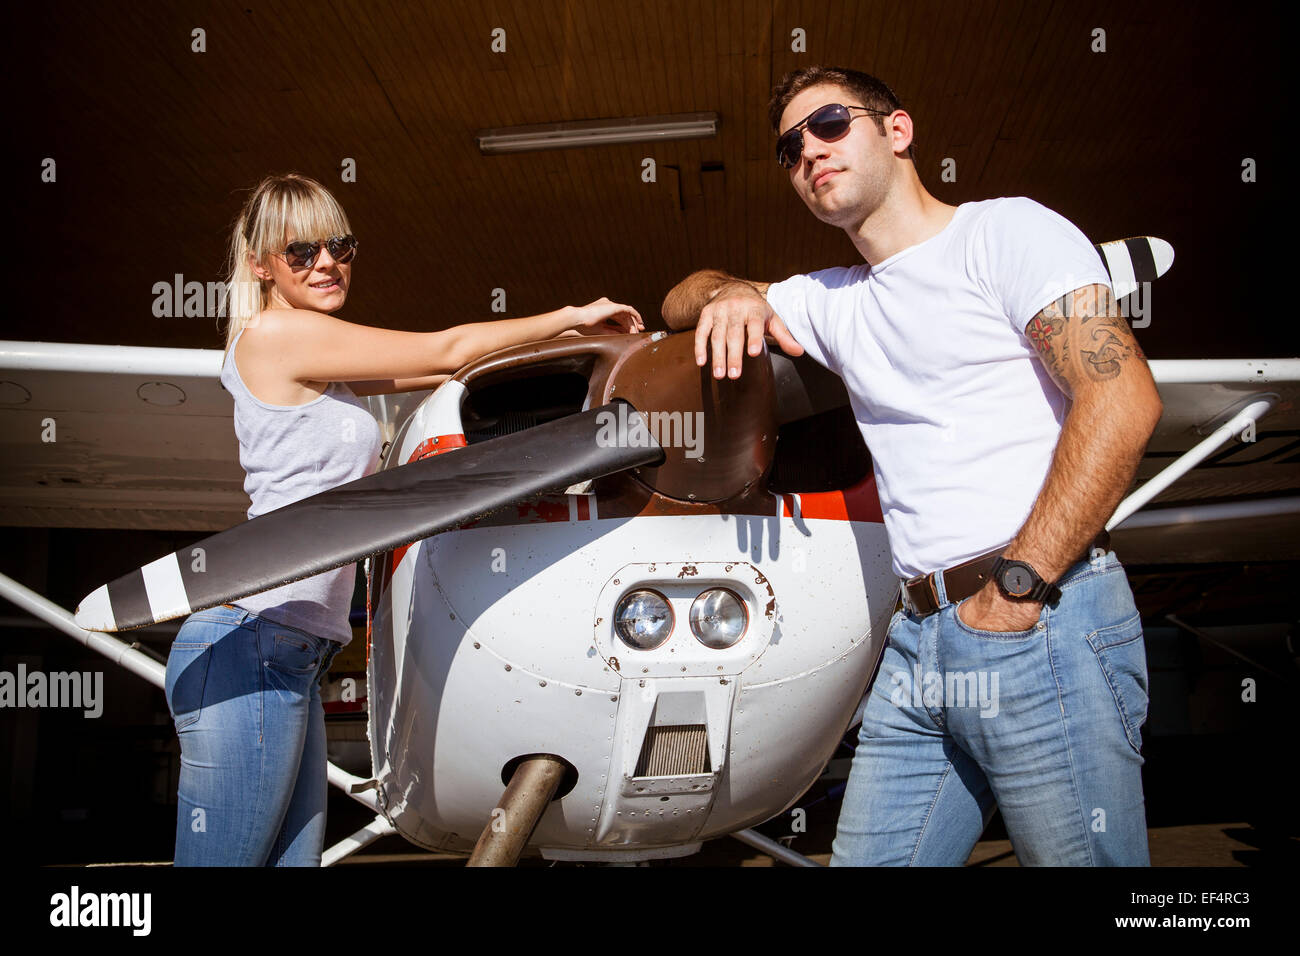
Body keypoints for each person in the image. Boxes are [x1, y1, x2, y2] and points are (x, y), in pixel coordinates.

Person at [661, 67, 1162, 865]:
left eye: (829, 124)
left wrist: (1018, 591)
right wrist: (732, 293)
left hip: (1042, 616)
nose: (809, 152)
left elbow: (1123, 402)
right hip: (918, 646)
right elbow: (680, 297)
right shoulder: (833, 299)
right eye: (790, 148)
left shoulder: (1007, 233)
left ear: (898, 131)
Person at [164, 172, 642, 866]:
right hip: (252, 643)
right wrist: (568, 315)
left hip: (291, 653)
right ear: (263, 265)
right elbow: (447, 348)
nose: (326, 263)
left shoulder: (326, 365)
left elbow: (453, 375)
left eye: (340, 245)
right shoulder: (278, 334)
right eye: (300, 252)